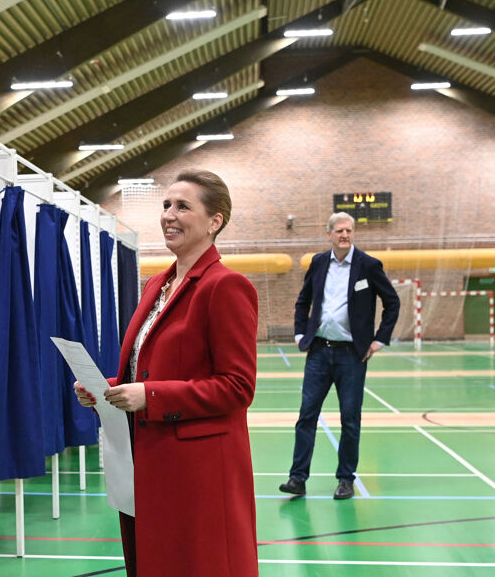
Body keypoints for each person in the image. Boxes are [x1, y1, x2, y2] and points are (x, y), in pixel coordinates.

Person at [74, 169, 259, 577]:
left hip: (198, 472)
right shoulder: (156, 285)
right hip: (146, 459)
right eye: (166, 205)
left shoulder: (225, 287)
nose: (169, 215)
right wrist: (105, 389)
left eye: (183, 206)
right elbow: (148, 367)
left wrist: (150, 397)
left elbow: (237, 387)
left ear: (215, 222)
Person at [279, 212, 400, 500]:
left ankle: (345, 479)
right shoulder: (319, 263)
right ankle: (297, 479)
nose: (344, 235)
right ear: (329, 234)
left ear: (353, 233)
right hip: (319, 352)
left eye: (348, 230)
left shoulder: (368, 266)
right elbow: (303, 300)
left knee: (350, 419)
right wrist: (300, 333)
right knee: (307, 416)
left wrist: (380, 339)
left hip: (352, 356)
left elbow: (392, 302)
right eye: (339, 231)